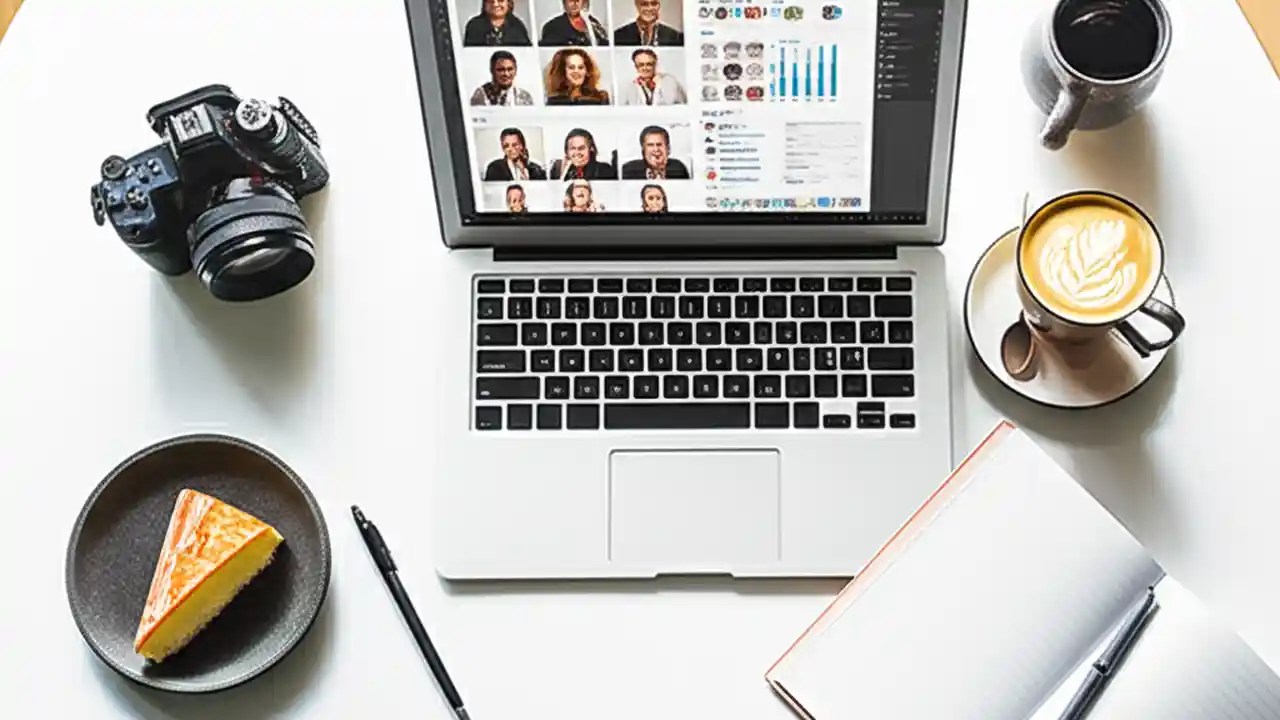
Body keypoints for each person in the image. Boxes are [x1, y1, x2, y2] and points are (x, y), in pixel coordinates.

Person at [617, 49, 686, 106]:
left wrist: (658, 86)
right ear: (636, 67)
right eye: (641, 65)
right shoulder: (630, 86)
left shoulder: (669, 82)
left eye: (649, 64)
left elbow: (677, 105)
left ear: (655, 65)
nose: (645, 68)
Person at [544, 49, 611, 105]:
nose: (576, 71)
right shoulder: (554, 101)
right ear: (562, 71)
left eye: (580, 67)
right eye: (571, 67)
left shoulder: (601, 98)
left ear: (587, 71)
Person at [621, 125, 689, 179]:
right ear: (643, 149)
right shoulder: (628, 171)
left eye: (659, 144)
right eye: (650, 145)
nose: (656, 149)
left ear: (668, 148)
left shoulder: (679, 169)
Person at [470, 51, 535, 106]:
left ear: (516, 71)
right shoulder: (481, 94)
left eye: (510, 69)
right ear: (492, 71)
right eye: (500, 70)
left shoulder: (524, 97)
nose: (506, 74)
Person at [548, 128, 616, 179]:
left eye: (581, 148)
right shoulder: (557, 170)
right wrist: (563, 174)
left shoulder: (604, 170)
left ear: (591, 149)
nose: (577, 153)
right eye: (573, 148)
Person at [483, 128, 547, 181]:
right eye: (506, 146)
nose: (510, 149)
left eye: (514, 145)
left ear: (522, 145)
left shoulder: (536, 169)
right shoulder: (494, 168)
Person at [462, 0, 533, 46]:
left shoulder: (517, 26)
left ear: (508, 3)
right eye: (490, 1)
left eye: (500, 0)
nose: (495, 4)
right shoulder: (474, 25)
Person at [614, 0, 684, 45]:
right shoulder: (618, 36)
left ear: (659, 5)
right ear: (636, 4)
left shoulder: (675, 36)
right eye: (644, 4)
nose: (650, 8)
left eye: (654, 3)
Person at [539, 0, 608, 46]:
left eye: (578, 0)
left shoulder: (593, 23)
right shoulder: (553, 26)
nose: (574, 3)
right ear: (564, 3)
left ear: (585, 2)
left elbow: (604, 45)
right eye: (570, 0)